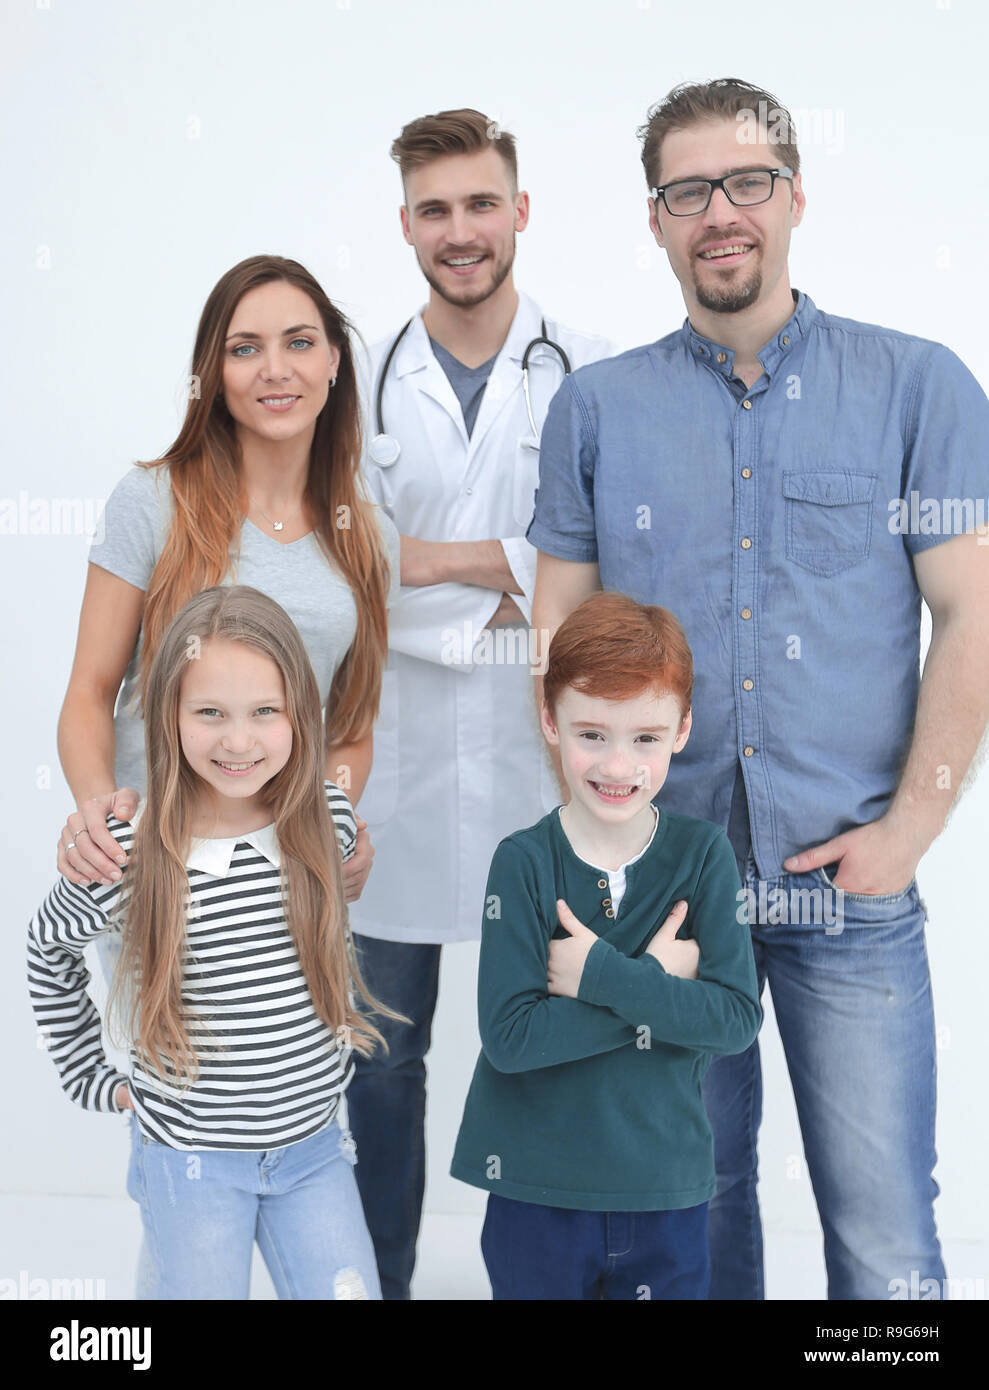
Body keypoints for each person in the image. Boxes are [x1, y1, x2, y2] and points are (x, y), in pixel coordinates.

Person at [528, 77, 989, 1300]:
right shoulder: (595, 409)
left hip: (851, 892)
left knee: (886, 1232)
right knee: (689, 1215)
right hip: (666, 904)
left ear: (792, 195)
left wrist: (910, 830)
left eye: (743, 183)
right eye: (686, 190)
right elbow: (559, 643)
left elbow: (969, 613)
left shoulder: (917, 386)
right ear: (655, 218)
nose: (716, 212)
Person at [347, 108, 616, 1299]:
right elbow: (341, 557)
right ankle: (377, 1283)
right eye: (434, 209)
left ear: (519, 210)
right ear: (406, 223)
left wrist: (437, 561)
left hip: (530, 754)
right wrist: (511, 565)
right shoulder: (348, 378)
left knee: (545, 1045)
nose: (460, 231)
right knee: (379, 1059)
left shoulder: (594, 372)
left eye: (479, 203)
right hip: (387, 756)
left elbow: (604, 556)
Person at [29, 586, 405, 1300]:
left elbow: (349, 868)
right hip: (188, 1162)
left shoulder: (326, 816)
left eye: (265, 712)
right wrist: (90, 1077)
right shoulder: (127, 851)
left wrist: (354, 858)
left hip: (315, 1153)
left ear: (300, 713)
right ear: (167, 715)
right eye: (210, 714)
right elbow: (47, 948)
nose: (239, 741)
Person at [56, 253, 397, 907]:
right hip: (157, 873)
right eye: (245, 349)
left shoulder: (368, 535)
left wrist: (336, 827)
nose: (275, 369)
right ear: (213, 373)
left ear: (333, 360)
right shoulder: (153, 503)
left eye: (298, 342)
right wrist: (99, 811)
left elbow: (350, 725)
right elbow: (90, 691)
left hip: (289, 882)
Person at [450, 592, 761, 1299]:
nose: (617, 765)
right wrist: (655, 979)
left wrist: (601, 976)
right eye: (591, 734)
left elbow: (734, 1020)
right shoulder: (523, 862)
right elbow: (511, 1039)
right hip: (535, 1197)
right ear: (547, 720)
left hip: (668, 1197)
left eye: (644, 738)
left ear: (681, 730)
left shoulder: (702, 856)